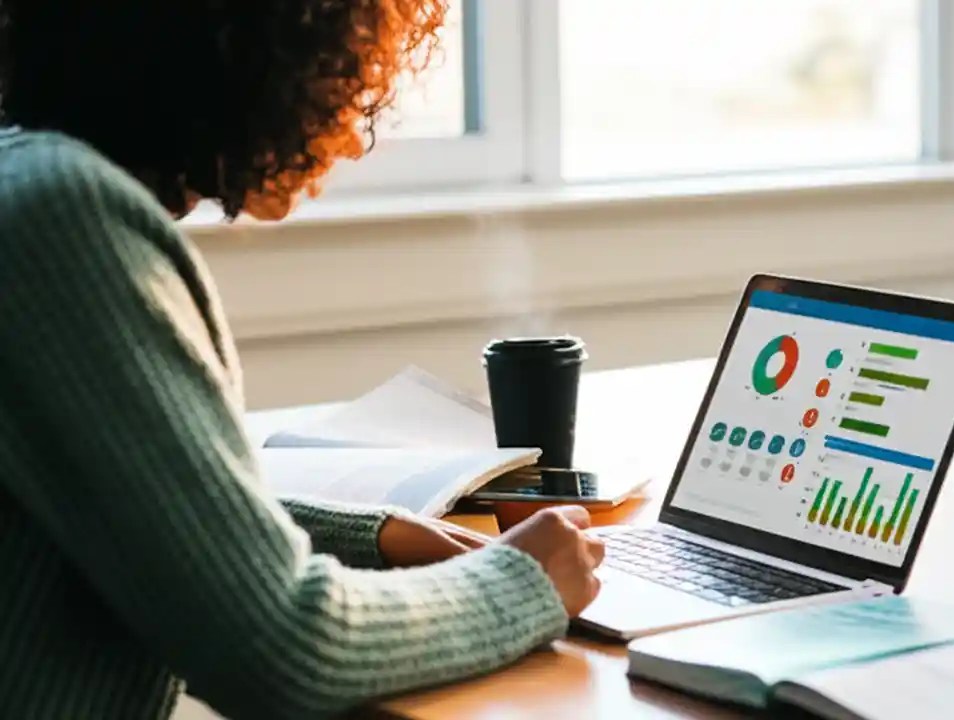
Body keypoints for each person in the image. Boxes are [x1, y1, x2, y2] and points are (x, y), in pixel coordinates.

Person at [0, 1, 604, 718]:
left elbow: (142, 503)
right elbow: (282, 646)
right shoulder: (58, 220)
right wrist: (524, 581)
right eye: (339, 67)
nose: (348, 125)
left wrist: (373, 534)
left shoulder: (22, 182)